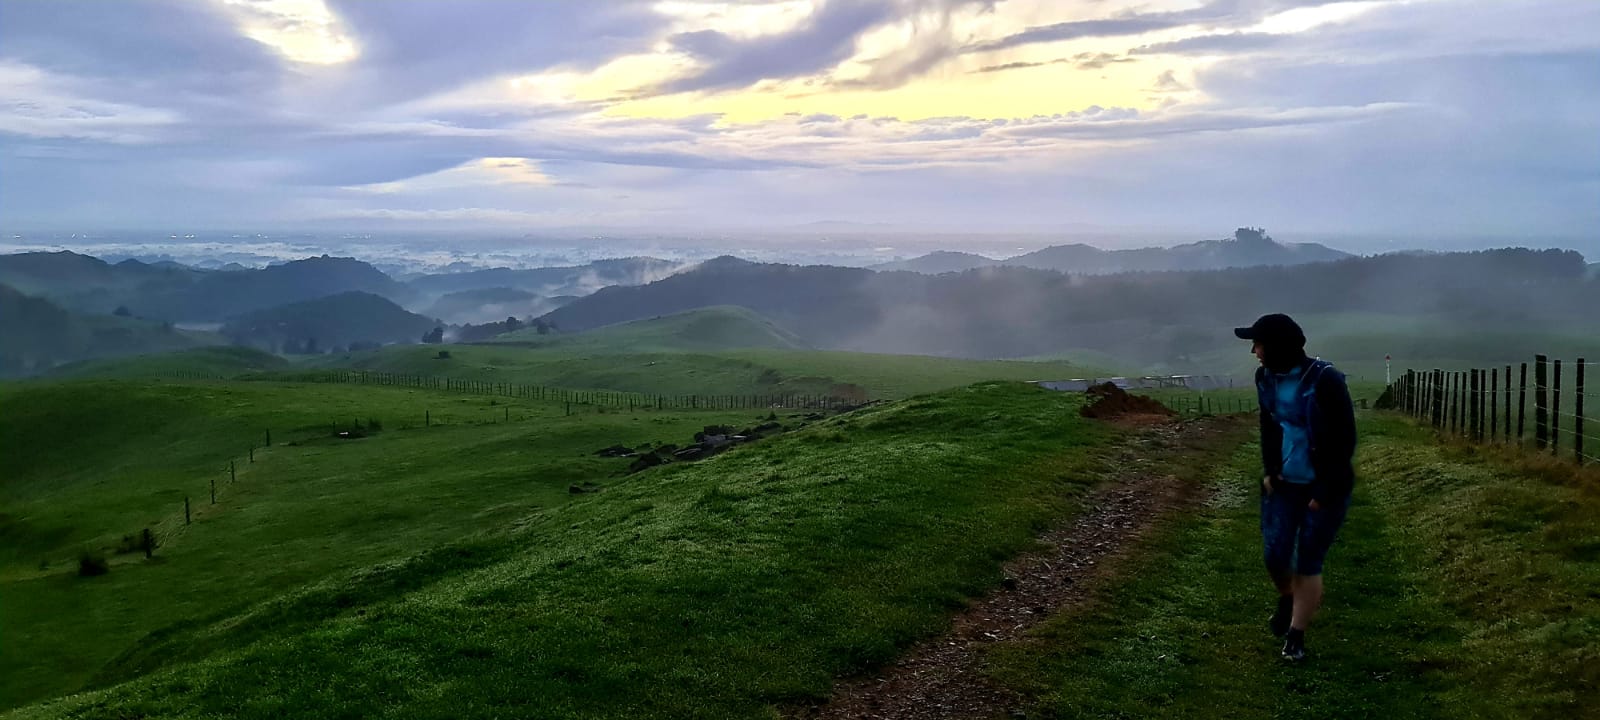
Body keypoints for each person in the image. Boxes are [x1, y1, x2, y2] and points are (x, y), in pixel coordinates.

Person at [1234, 313, 1356, 661]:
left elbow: (1344, 439)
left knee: (1308, 561)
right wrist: (1271, 471)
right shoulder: (1265, 378)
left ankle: (1295, 636)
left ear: (1275, 346)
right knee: (1274, 554)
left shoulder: (1326, 380)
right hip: (1284, 484)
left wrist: (1326, 491)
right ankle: (1288, 596)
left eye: (1257, 344)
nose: (1254, 351)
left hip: (1322, 488)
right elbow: (1269, 425)